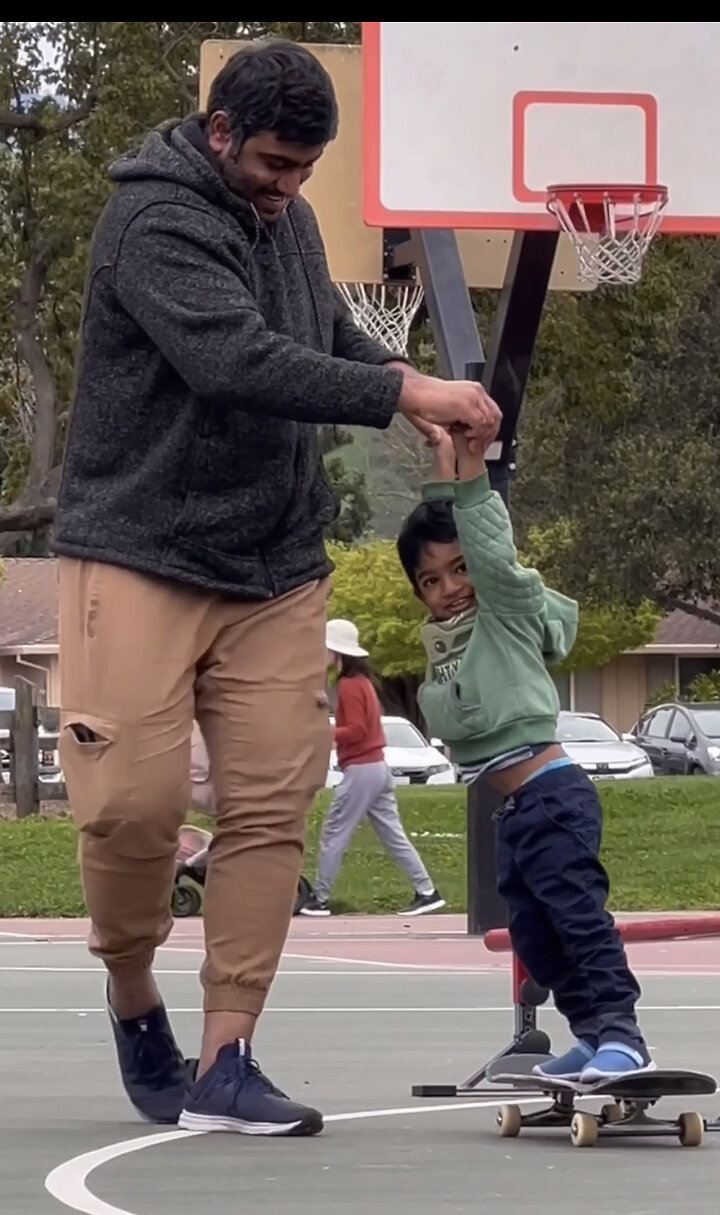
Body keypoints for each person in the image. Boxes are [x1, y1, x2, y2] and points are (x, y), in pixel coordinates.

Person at [52, 38, 500, 1139]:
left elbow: (322, 335)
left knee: (268, 804)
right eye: (274, 164)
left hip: (276, 562)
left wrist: (402, 381)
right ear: (219, 134)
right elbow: (237, 361)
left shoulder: (287, 221)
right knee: (133, 805)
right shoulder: (153, 222)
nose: (290, 188)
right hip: (141, 548)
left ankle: (227, 1058)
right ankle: (132, 989)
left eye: (305, 170)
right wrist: (407, 393)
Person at [394, 427, 656, 1084]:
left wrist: (471, 466)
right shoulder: (446, 641)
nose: (450, 587)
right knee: (536, 937)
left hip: (552, 796)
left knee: (577, 918)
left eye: (460, 571)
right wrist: (440, 470)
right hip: (514, 812)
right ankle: (591, 1033)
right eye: (431, 580)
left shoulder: (503, 613)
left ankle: (624, 1034)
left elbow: (483, 542)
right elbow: (444, 531)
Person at [301, 618, 445, 918]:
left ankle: (320, 899)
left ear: (337, 653)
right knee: (393, 835)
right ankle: (427, 892)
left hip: (361, 769)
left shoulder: (348, 686)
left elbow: (357, 730)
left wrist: (323, 734)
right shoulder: (362, 683)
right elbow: (366, 723)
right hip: (377, 767)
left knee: (334, 831)